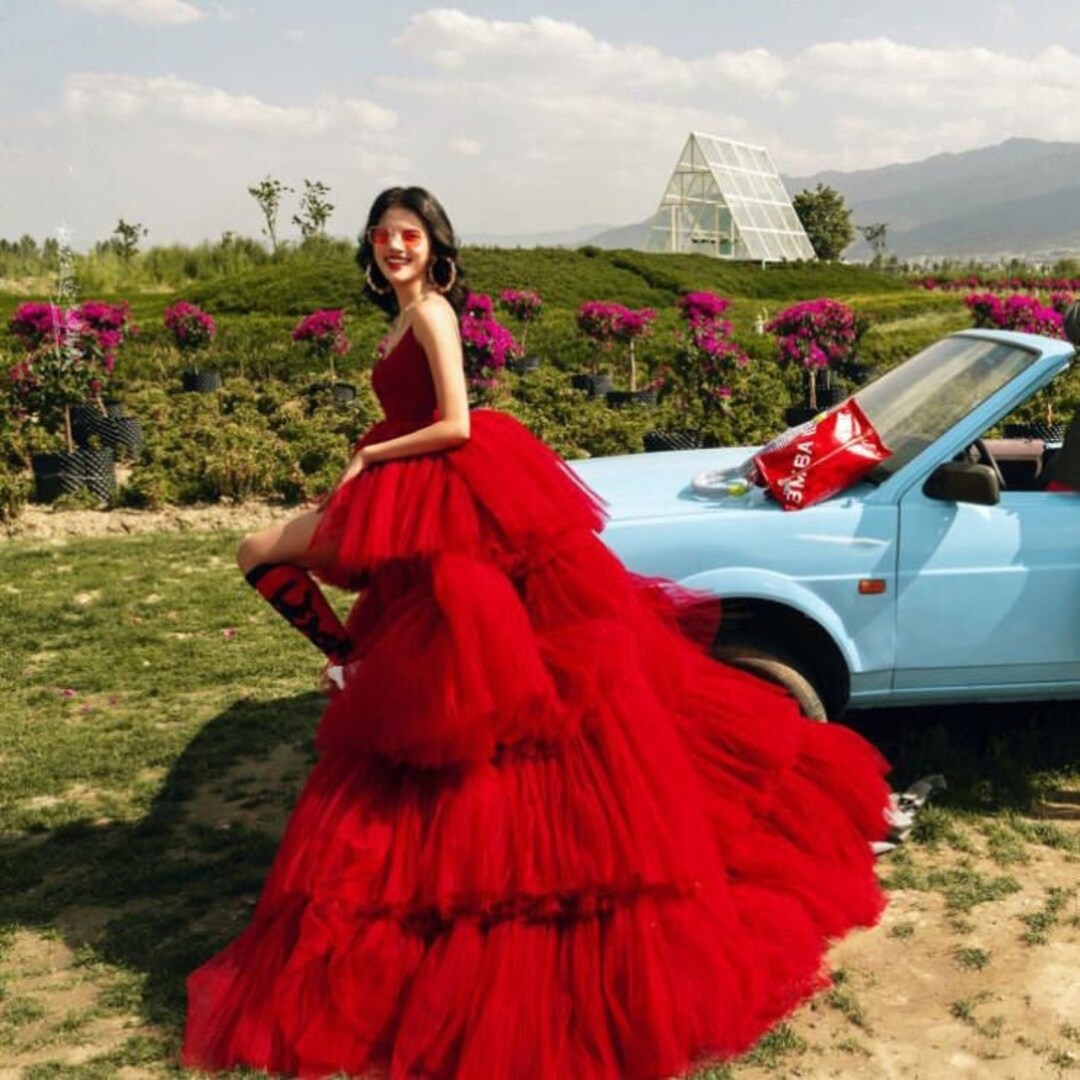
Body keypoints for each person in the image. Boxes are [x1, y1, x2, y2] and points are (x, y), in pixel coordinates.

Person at [182, 186, 892, 1080]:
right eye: (382, 235)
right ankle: (348, 660)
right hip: (411, 489)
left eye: (409, 234)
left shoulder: (433, 313)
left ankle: (353, 665)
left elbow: (454, 424)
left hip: (443, 479)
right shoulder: (400, 316)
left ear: (434, 245)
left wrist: (373, 456)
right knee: (282, 563)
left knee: (477, 668)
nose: (394, 246)